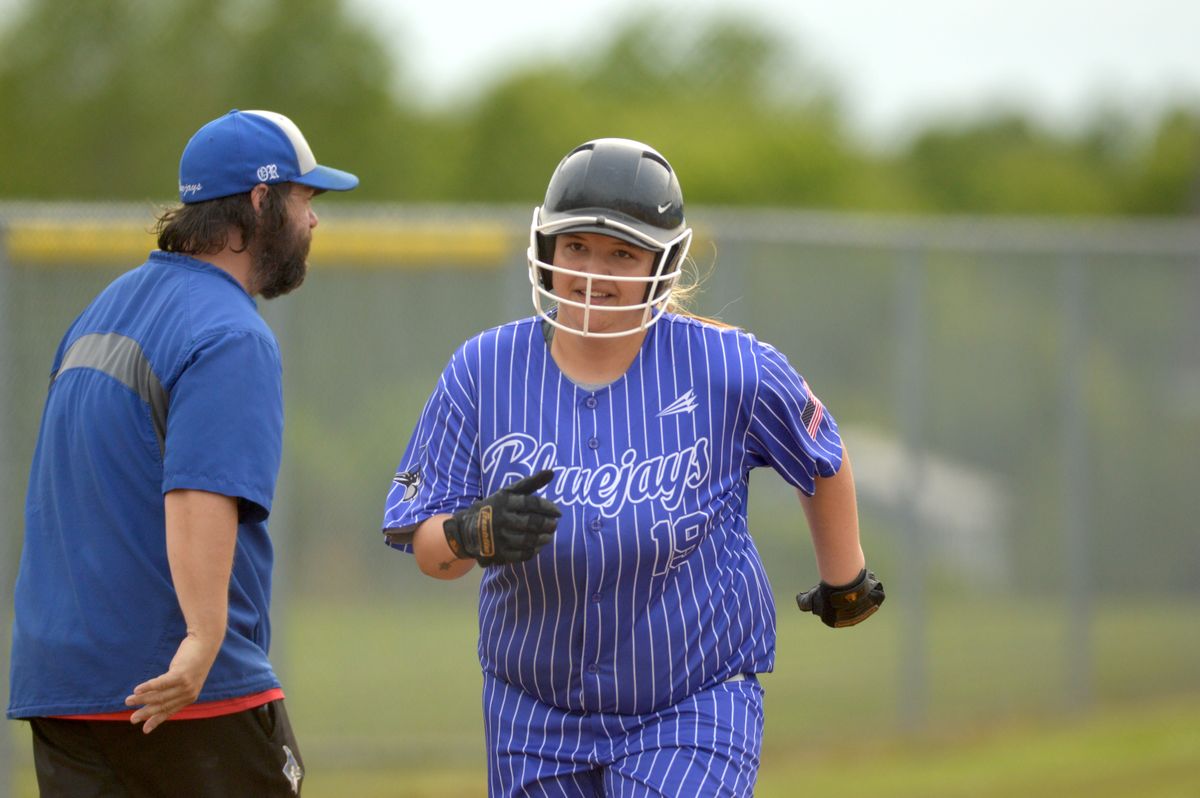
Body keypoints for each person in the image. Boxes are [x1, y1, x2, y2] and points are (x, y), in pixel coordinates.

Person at [381, 137, 884, 797]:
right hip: (532, 710)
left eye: (622, 253)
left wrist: (843, 580)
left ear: (664, 262)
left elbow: (819, 454)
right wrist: (468, 532)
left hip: (690, 698)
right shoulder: (483, 370)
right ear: (546, 250)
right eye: (577, 247)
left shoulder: (728, 367)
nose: (594, 270)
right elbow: (426, 546)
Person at [7, 108, 358, 796]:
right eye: (303, 199)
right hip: (179, 687)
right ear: (260, 202)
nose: (312, 221)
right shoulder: (229, 331)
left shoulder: (103, 308)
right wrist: (201, 641)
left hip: (61, 685)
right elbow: (199, 491)